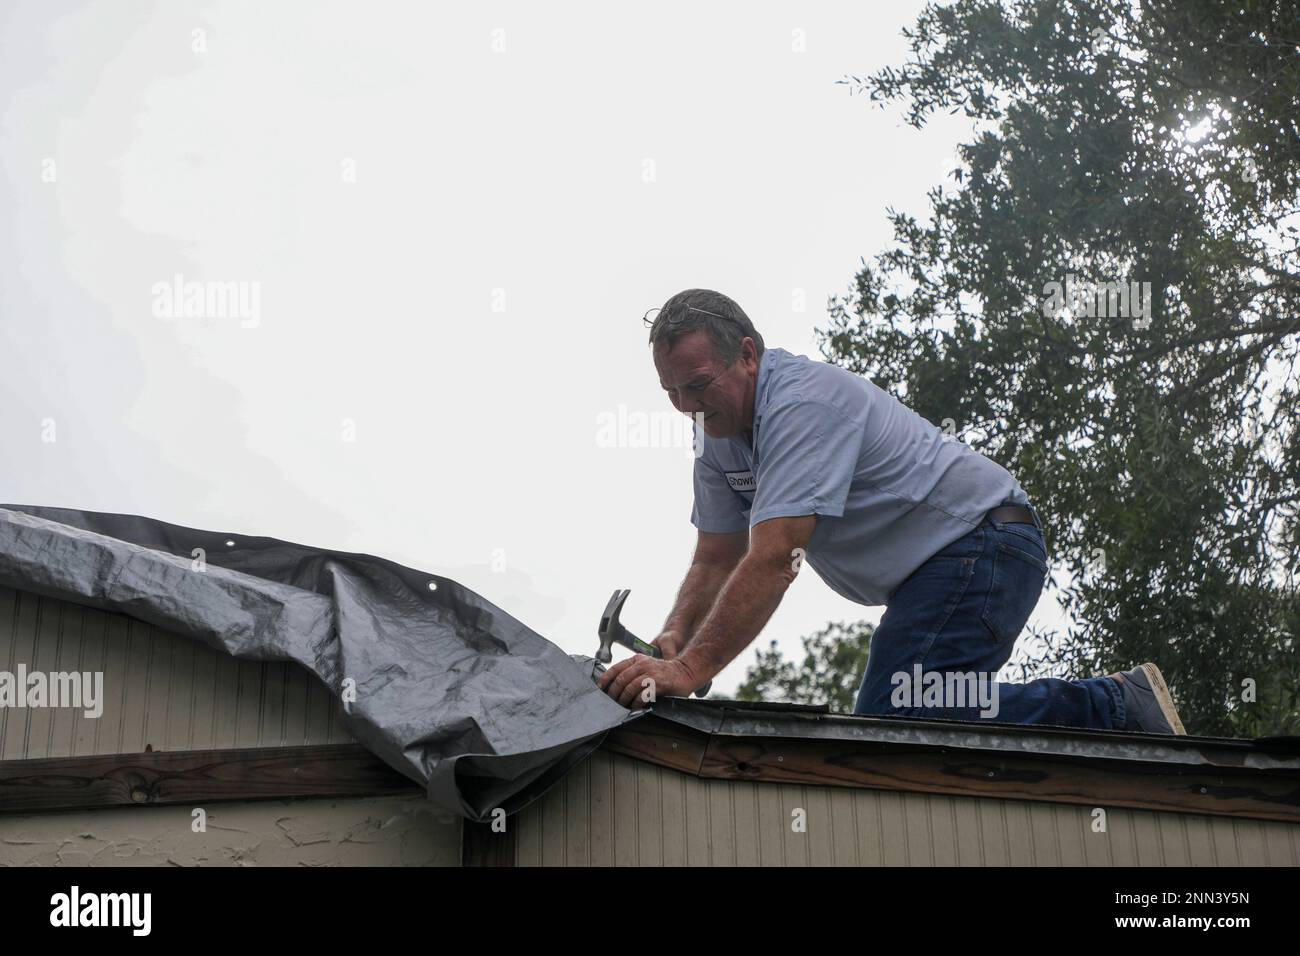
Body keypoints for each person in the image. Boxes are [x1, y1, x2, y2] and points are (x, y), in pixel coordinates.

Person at [597, 288, 1186, 735]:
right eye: (670, 393)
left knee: (896, 717)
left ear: (747, 355)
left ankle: (1111, 706)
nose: (686, 408)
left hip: (983, 544)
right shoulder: (717, 435)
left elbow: (775, 557)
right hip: (938, 570)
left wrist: (692, 669)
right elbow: (716, 556)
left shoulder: (802, 404)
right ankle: (1107, 712)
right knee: (913, 715)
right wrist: (673, 642)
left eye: (697, 385)